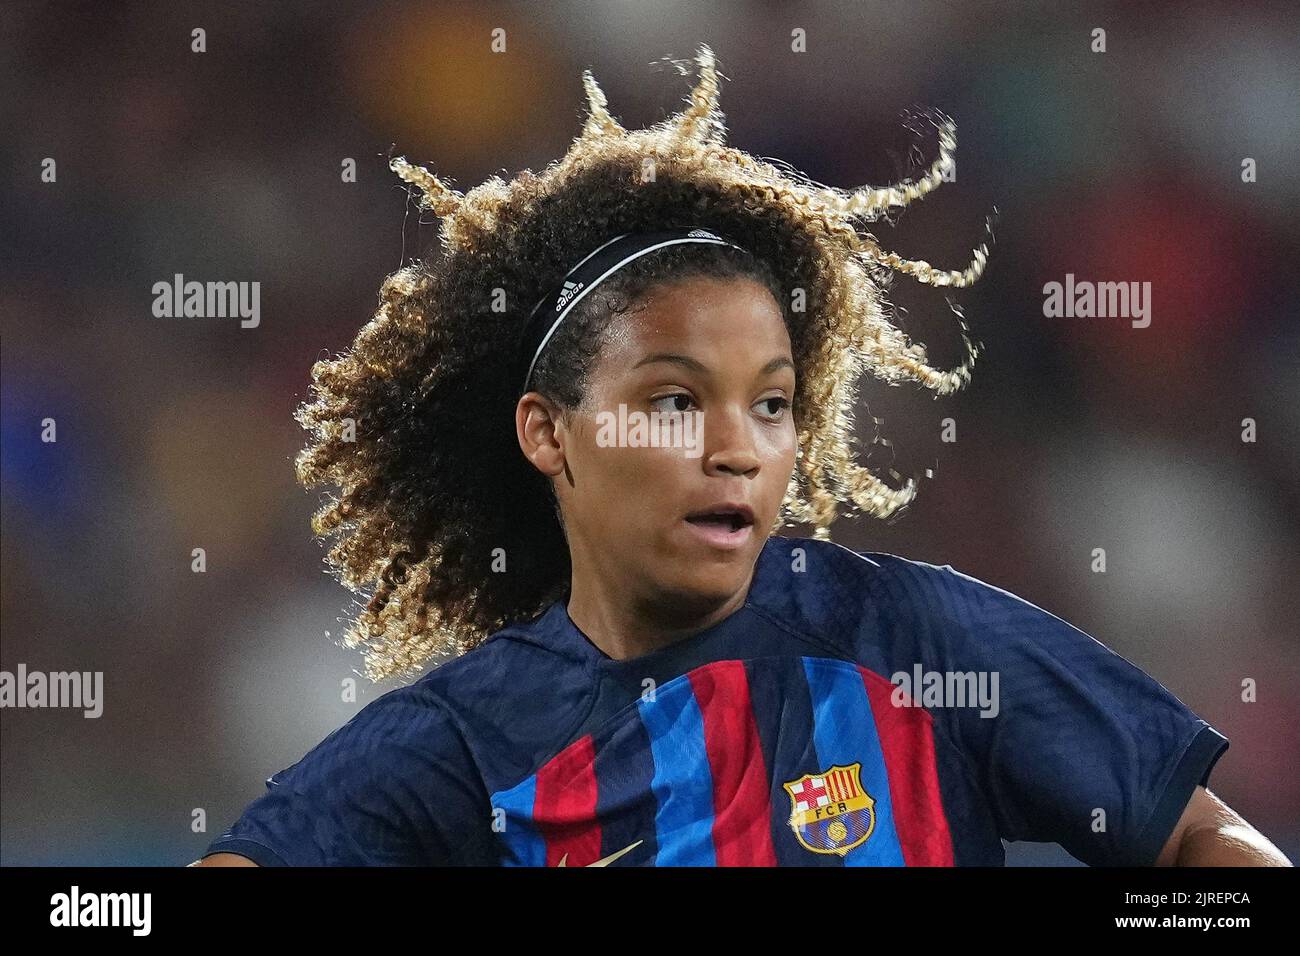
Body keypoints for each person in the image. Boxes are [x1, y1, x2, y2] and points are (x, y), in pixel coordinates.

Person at [195, 46, 1288, 867]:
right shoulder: (461, 742)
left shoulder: (910, 635)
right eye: (674, 399)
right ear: (548, 433)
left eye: (770, 403)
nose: (736, 447)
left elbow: (1208, 847)